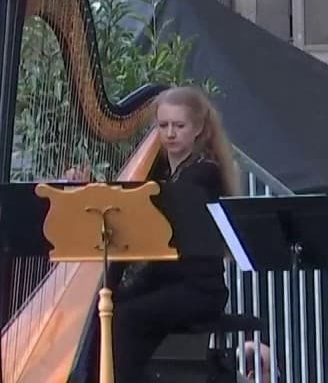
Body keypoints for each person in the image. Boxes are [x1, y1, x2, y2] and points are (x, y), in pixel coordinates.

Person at [70, 86, 241, 383]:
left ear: (199, 129)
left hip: (198, 289)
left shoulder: (205, 174)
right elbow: (129, 207)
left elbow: (149, 206)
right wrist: (89, 188)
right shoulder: (161, 169)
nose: (170, 133)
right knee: (104, 310)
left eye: (179, 126)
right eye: (163, 126)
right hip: (163, 282)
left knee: (124, 318)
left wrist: (102, 190)